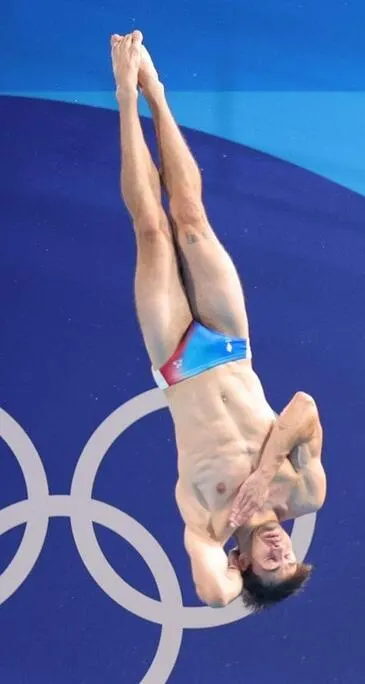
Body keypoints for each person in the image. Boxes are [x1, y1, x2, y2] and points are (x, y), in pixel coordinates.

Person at [110, 30, 326, 611]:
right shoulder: (304, 491)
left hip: (177, 361)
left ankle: (126, 98)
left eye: (270, 564)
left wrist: (235, 568)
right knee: (191, 219)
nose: (281, 551)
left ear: (246, 563)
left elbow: (213, 593)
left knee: (151, 231)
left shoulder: (207, 523)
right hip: (231, 346)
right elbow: (304, 407)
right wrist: (268, 469)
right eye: (290, 559)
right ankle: (156, 91)